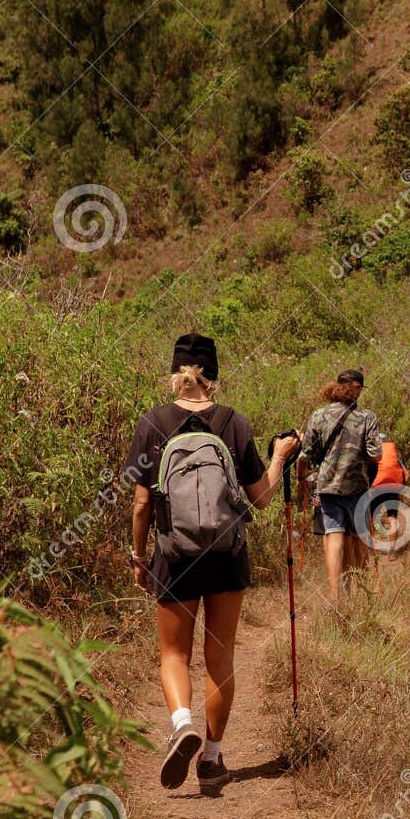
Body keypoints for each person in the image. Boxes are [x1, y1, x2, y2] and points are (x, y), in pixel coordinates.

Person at [126, 333, 299, 794]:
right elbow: (260, 498)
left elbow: (143, 504)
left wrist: (140, 557)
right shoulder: (233, 423)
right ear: (214, 375)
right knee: (219, 658)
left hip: (173, 556)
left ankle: (182, 723)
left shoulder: (153, 424)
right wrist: (279, 457)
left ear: (175, 371)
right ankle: (213, 759)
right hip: (226, 557)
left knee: (173, 654)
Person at [298, 368, 383, 605]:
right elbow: (376, 455)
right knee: (359, 538)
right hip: (357, 487)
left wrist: (301, 481)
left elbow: (306, 456)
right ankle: (362, 595)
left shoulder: (319, 415)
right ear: (357, 389)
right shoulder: (367, 417)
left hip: (326, 486)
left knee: (333, 534)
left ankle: (336, 598)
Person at [368, 432, 409, 552]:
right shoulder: (394, 456)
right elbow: (406, 475)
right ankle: (392, 551)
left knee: (371, 517)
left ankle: (373, 550)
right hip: (393, 488)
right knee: (392, 517)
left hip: (376, 488)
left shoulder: (372, 454)